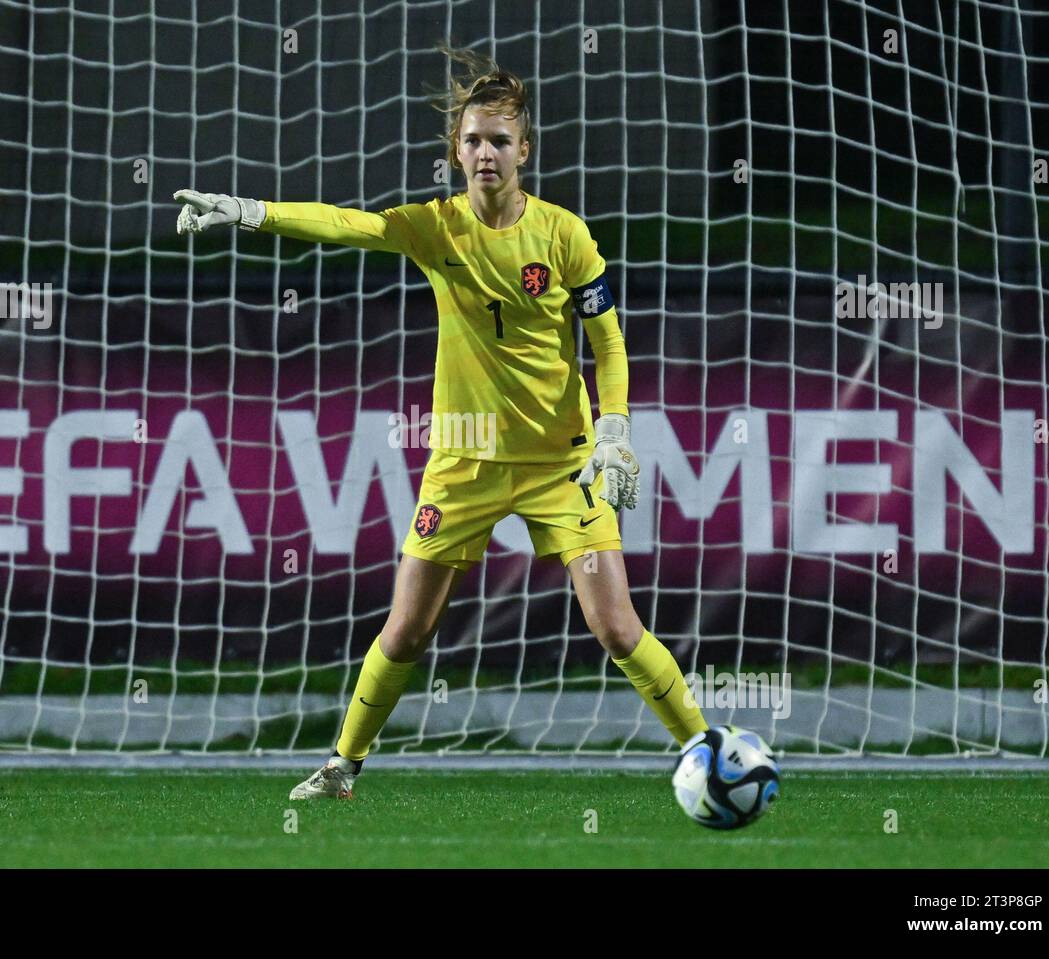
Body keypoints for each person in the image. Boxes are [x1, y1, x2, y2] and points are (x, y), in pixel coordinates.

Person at [174, 46, 708, 799]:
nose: (484, 153)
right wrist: (254, 213)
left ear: (525, 149)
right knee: (408, 630)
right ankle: (343, 764)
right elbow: (346, 224)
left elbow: (608, 341)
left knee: (617, 627)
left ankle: (709, 749)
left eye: (498, 140)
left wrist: (616, 428)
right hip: (464, 461)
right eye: (471, 140)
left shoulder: (565, 236)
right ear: (454, 152)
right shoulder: (437, 228)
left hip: (562, 461)